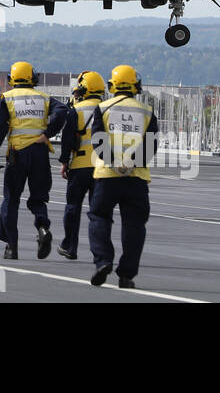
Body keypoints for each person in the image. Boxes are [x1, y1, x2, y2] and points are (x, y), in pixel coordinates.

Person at [0, 61, 70, 260]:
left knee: (11, 200)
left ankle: (11, 246)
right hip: (40, 153)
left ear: (11, 80)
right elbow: (63, 112)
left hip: (17, 154)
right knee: (38, 198)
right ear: (33, 78)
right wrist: (48, 133)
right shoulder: (44, 98)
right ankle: (42, 227)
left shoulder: (7, 98)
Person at [87, 64, 158, 289]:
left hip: (106, 175)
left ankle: (103, 261)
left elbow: (98, 138)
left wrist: (112, 161)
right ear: (136, 85)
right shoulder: (146, 111)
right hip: (136, 177)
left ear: (112, 85)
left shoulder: (103, 107)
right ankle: (126, 275)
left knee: (99, 217)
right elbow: (151, 144)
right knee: (134, 226)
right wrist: (130, 162)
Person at [57, 70, 107, 259]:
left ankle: (69, 246)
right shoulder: (107, 108)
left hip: (79, 166)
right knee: (98, 213)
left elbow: (67, 139)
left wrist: (64, 162)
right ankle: (99, 253)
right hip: (102, 169)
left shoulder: (75, 110)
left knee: (73, 207)